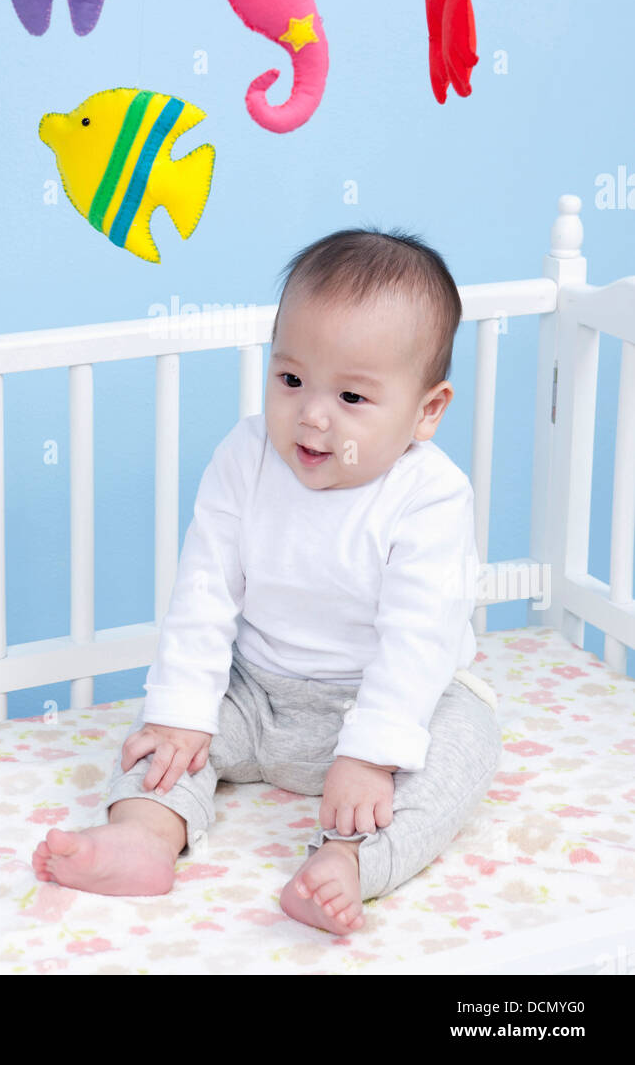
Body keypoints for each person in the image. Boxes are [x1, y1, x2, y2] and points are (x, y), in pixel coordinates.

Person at [32, 226, 502, 933]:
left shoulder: (430, 495)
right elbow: (204, 591)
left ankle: (346, 863)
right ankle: (145, 834)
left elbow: (418, 639)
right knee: (162, 733)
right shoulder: (246, 455)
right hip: (255, 693)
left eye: (351, 396)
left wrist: (372, 754)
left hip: (383, 703)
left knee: (462, 744)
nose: (311, 415)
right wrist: (187, 710)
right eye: (290, 380)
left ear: (426, 410)